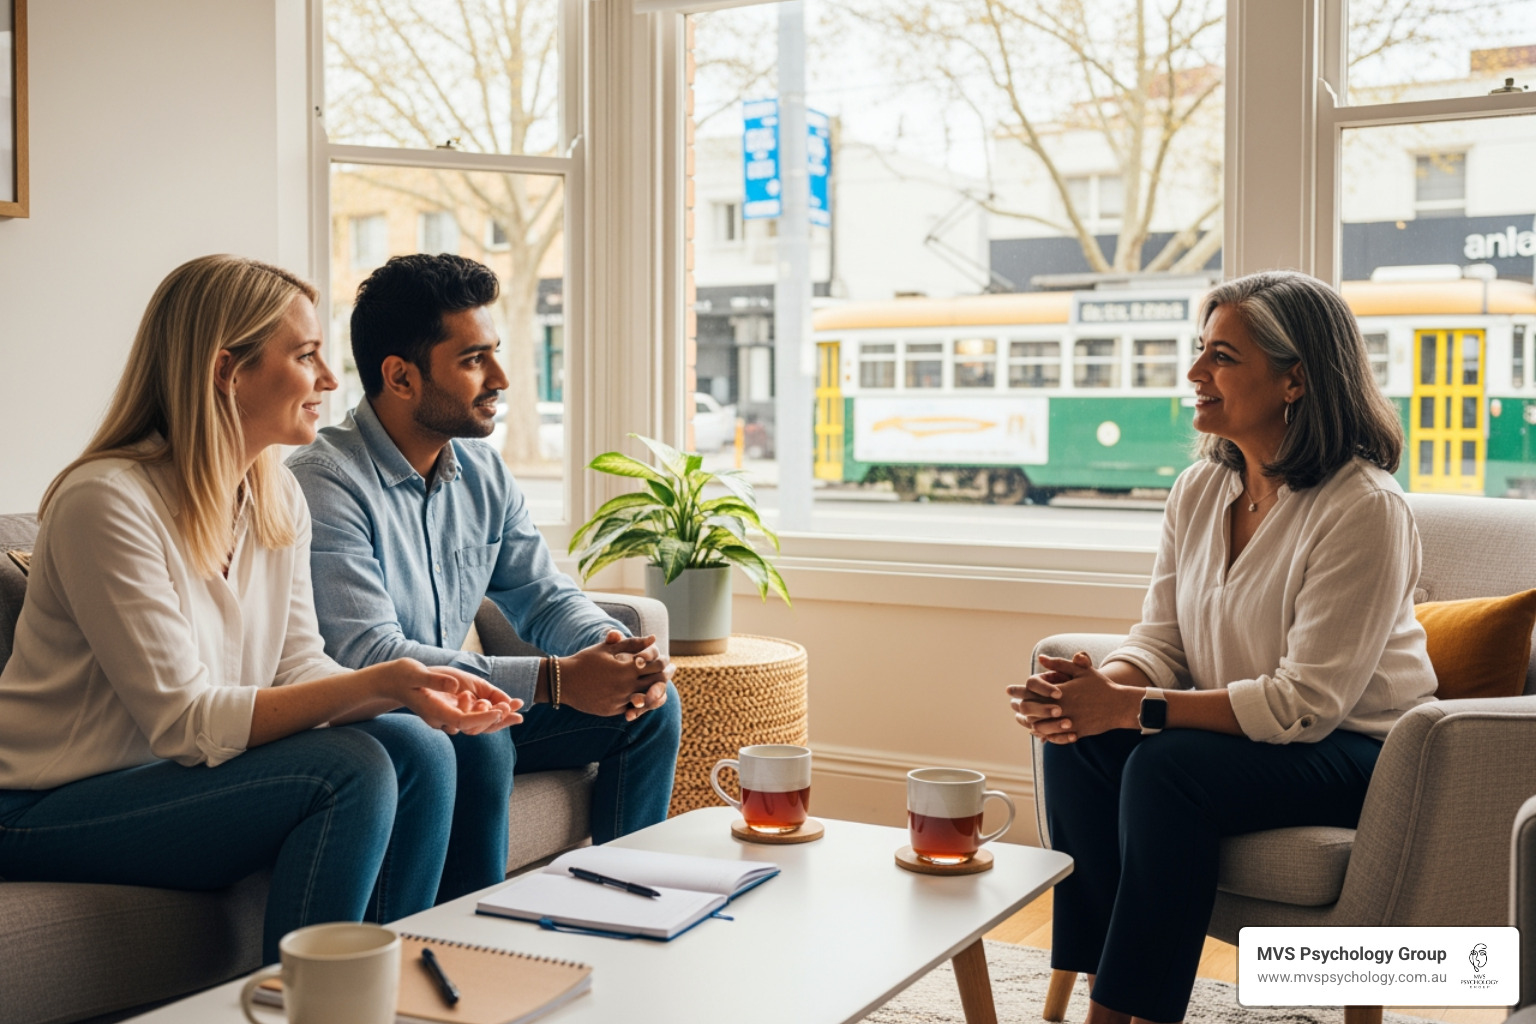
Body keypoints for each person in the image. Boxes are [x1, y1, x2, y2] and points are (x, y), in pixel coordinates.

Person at [0, 255, 521, 964]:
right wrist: (384, 681)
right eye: (306, 356)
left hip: (176, 783)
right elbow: (185, 723)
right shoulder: (107, 502)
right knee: (349, 769)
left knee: (423, 745)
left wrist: (411, 693)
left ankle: (409, 988)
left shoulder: (272, 497)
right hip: (48, 807)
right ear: (228, 371)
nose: (332, 381)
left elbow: (296, 665)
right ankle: (312, 1007)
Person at [1008, 270, 1439, 1024]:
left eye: (1222, 357)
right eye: (1200, 351)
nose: (1194, 374)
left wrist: (1132, 708)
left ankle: (1127, 1013)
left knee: (1167, 767)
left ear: (1294, 380)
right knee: (1074, 740)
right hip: (1247, 734)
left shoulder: (1363, 507)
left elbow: (1305, 705)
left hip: (1359, 749)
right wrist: (1098, 689)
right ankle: (1092, 974)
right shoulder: (1200, 489)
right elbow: (1160, 639)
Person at [288, 254, 681, 903]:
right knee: (479, 741)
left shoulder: (481, 469)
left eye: (495, 354)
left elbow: (540, 595)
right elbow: (371, 655)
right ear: (401, 376)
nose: (500, 377)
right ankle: (468, 943)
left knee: (647, 714)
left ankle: (624, 914)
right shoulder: (324, 483)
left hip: (464, 707)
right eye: (474, 359)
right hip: (376, 722)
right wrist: (557, 679)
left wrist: (616, 653)